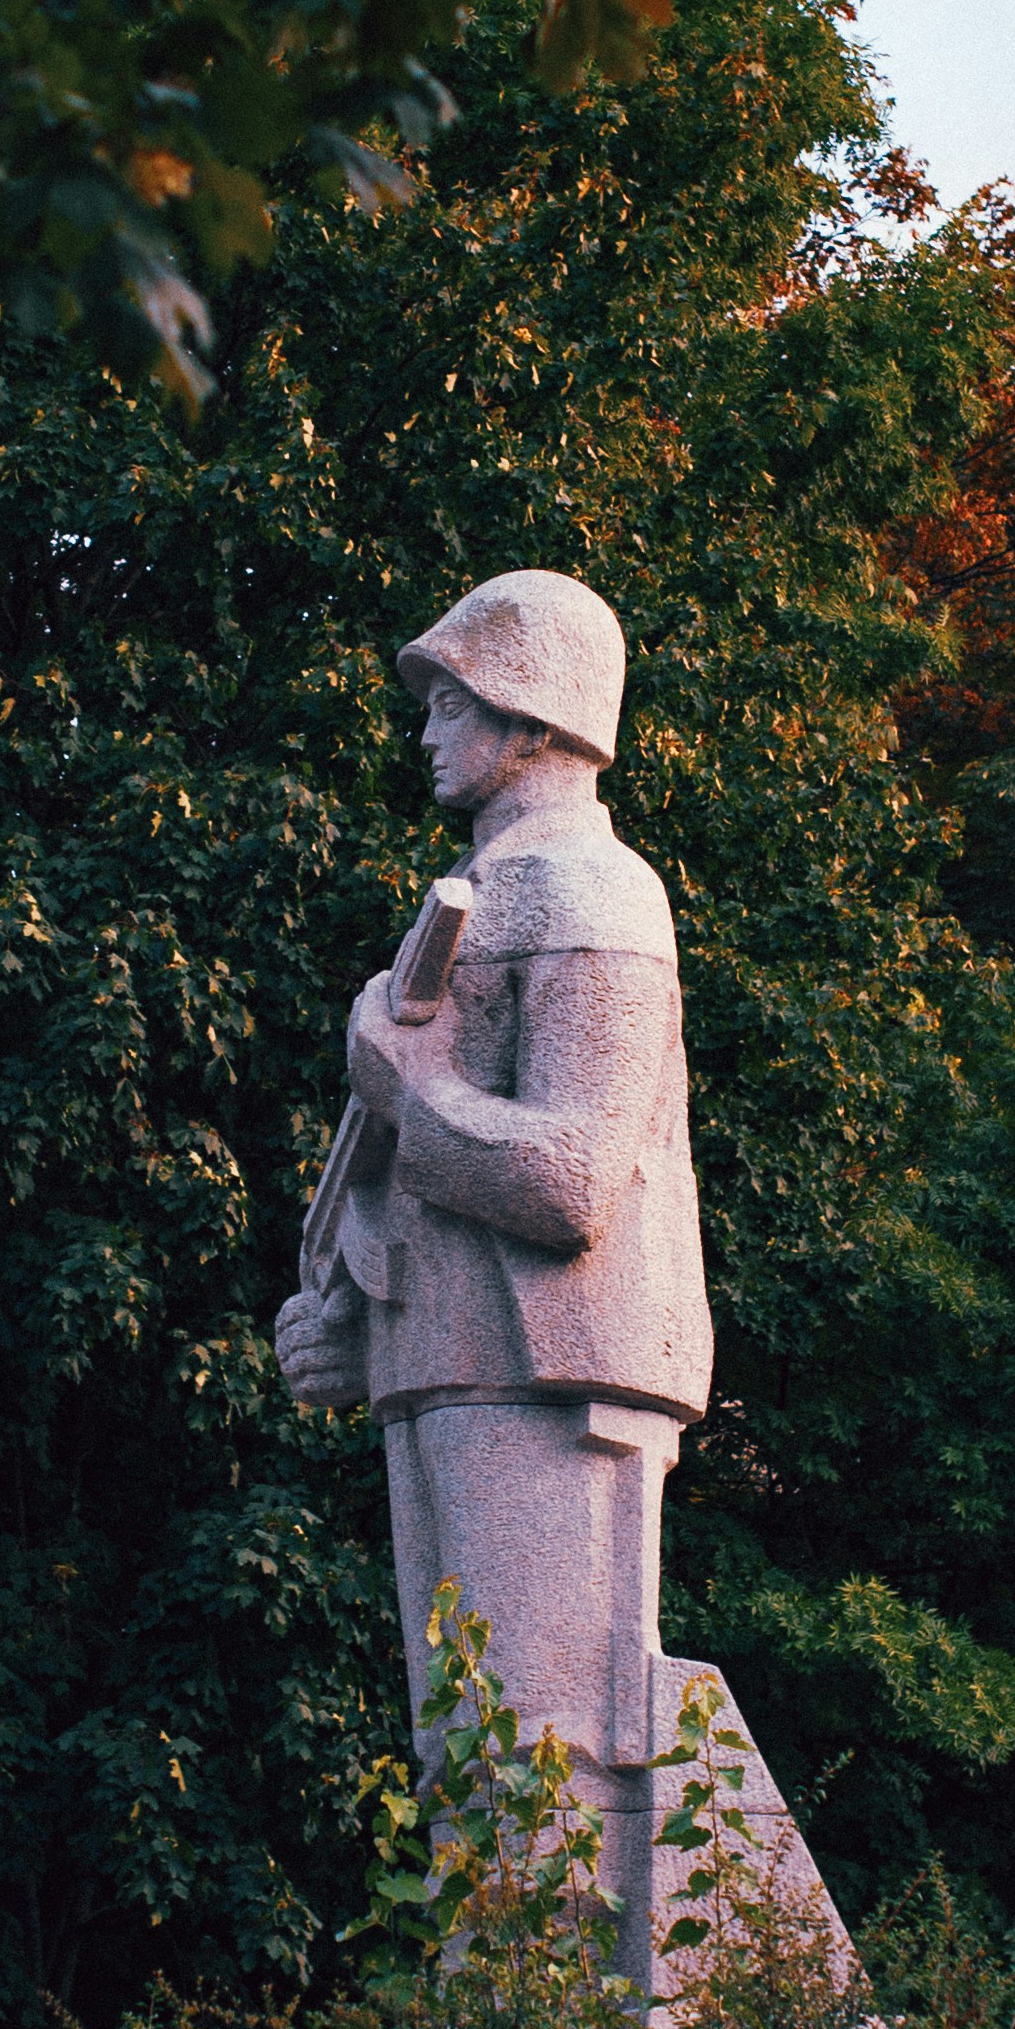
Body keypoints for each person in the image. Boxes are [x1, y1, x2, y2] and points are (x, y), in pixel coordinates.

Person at [274, 568, 714, 1769]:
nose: (427, 731)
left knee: (541, 1767)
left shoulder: (590, 888)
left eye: (452, 701)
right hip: (455, 1367)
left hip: (552, 1378)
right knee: (473, 1776)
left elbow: (573, 1178)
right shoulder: (489, 893)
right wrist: (361, 1329)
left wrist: (408, 1089)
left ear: (532, 715)